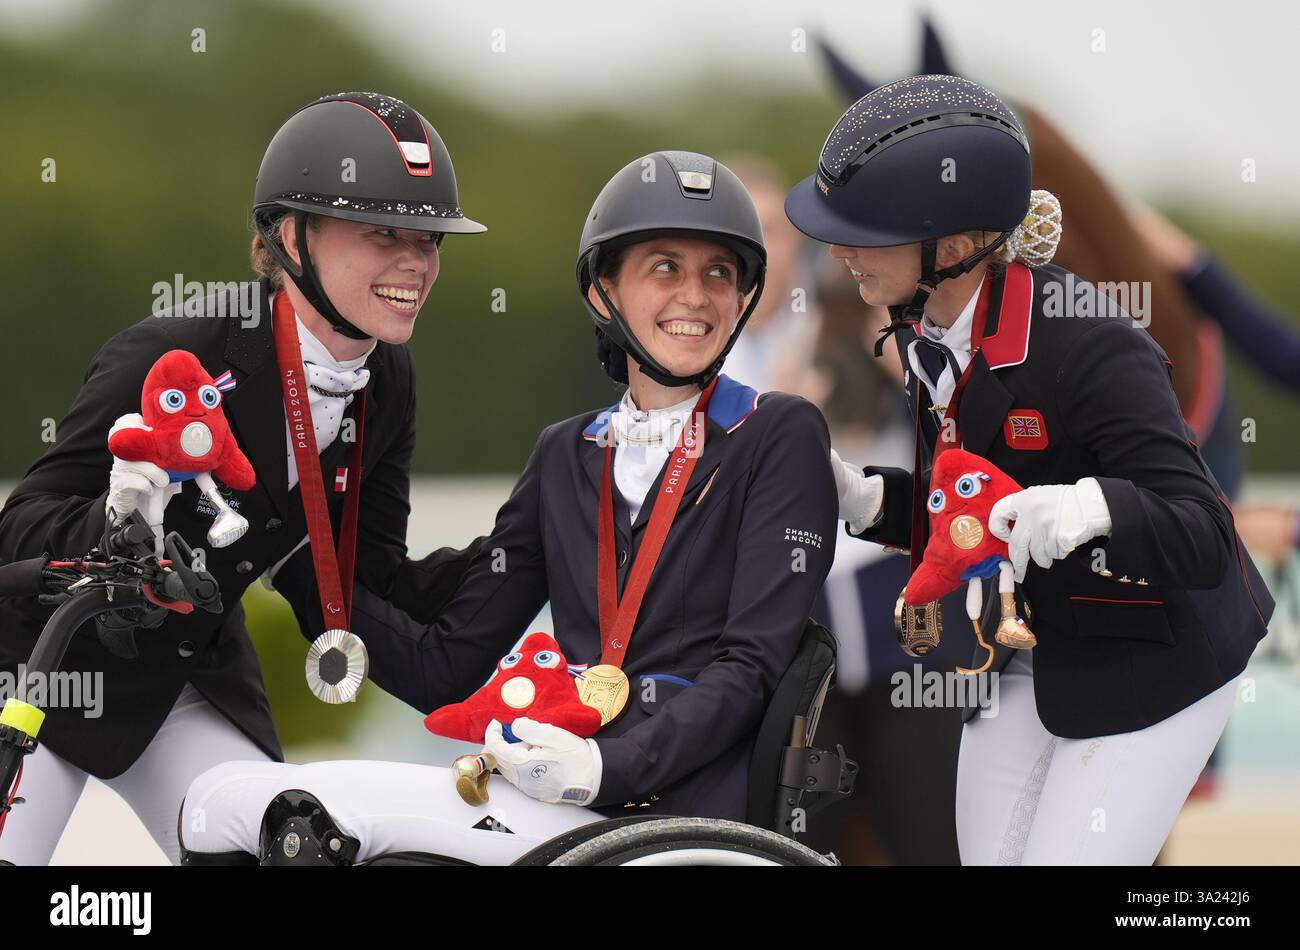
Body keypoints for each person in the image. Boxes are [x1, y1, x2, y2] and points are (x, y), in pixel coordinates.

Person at [179, 150, 839, 865]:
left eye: (720, 273)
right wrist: (295, 561)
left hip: (690, 824)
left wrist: (604, 768)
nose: (697, 295)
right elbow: (447, 663)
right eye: (665, 268)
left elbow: (749, 667)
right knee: (227, 800)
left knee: (298, 814)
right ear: (602, 291)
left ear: (744, 299)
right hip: (565, 807)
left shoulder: (779, 433)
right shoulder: (565, 454)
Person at [785, 75, 1275, 864]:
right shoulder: (923, 337)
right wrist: (868, 498)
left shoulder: (1090, 341)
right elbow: (971, 516)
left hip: (1163, 653)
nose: (838, 253)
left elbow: (1203, 534)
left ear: (950, 248)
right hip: (1037, 646)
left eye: (863, 231)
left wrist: (1093, 507)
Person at [0, 91, 485, 865]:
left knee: (293, 849)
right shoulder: (173, 352)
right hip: (39, 674)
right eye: (384, 232)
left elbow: (372, 579)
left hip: (184, 683)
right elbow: (20, 525)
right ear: (292, 236)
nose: (415, 263)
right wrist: (124, 527)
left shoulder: (387, 378)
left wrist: (530, 542)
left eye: (428, 239)